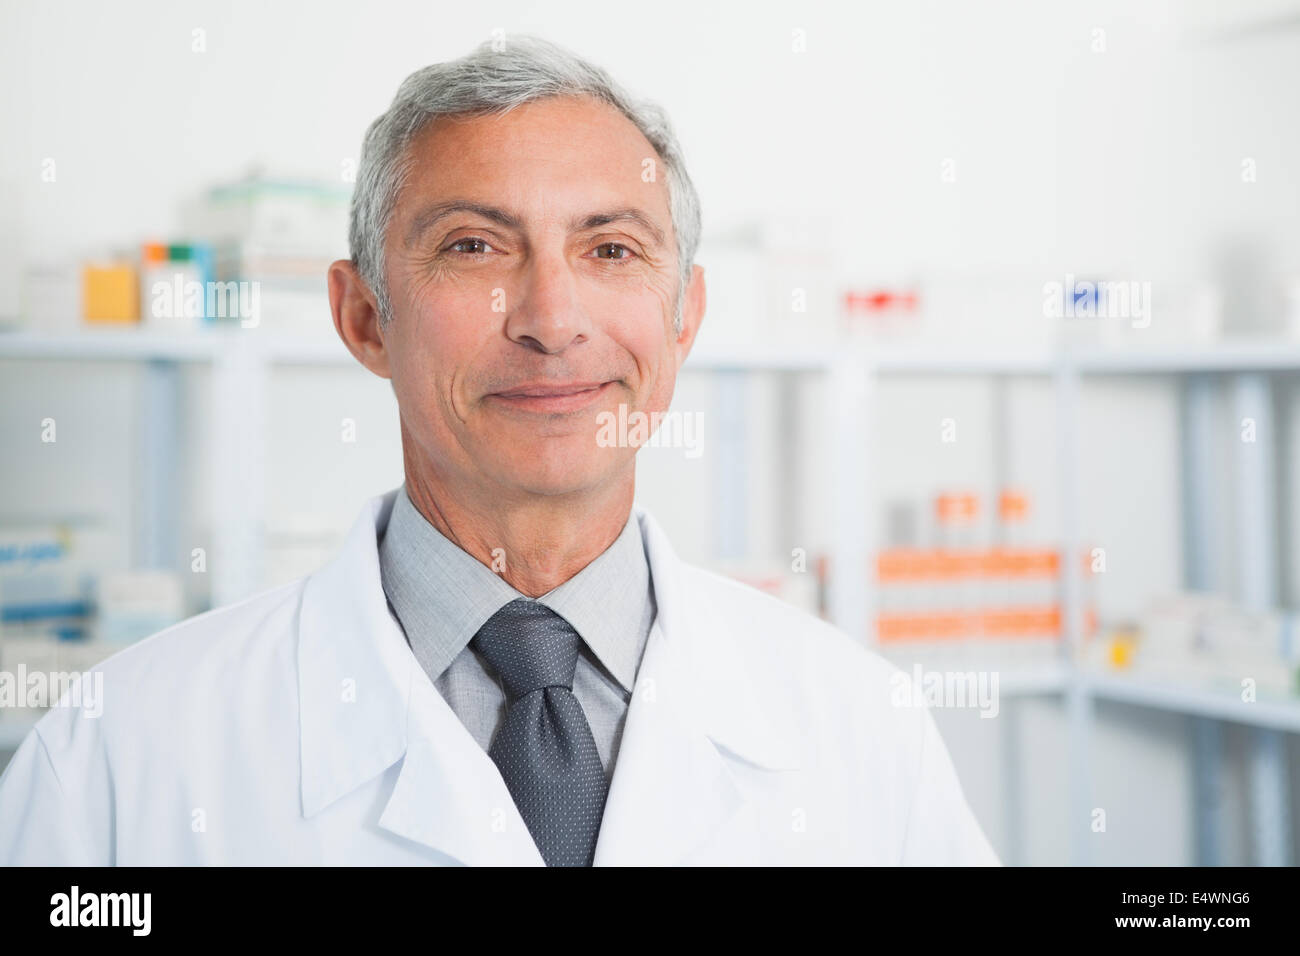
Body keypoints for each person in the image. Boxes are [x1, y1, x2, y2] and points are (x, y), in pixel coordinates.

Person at [0, 35, 998, 866]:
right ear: (363, 317)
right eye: (474, 246)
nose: (552, 319)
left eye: (611, 249)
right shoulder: (122, 756)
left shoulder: (861, 725)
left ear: (683, 318)